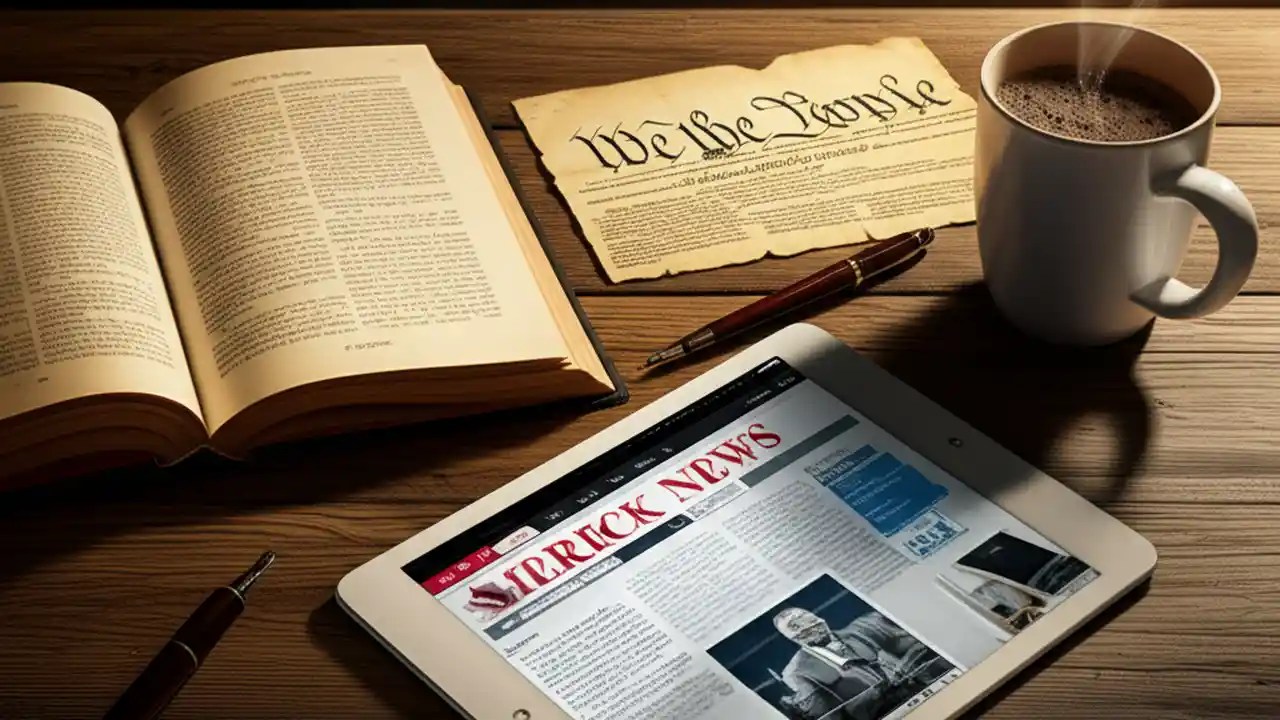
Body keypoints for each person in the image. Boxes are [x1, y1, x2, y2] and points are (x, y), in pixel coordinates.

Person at [772, 607, 950, 720]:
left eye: (806, 617)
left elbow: (920, 642)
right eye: (795, 626)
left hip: (931, 695)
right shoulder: (798, 673)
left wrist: (906, 666)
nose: (807, 626)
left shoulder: (863, 628)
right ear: (791, 638)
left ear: (818, 617)